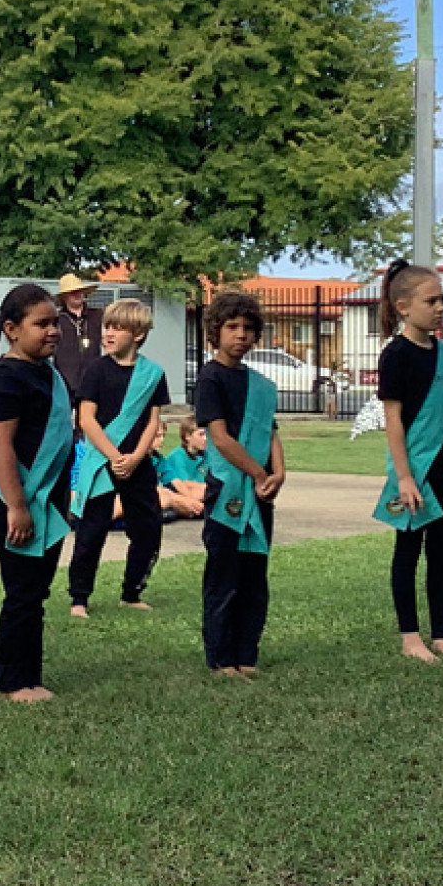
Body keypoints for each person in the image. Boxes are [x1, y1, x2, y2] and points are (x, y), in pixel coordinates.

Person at [373, 261, 443, 662]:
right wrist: (404, 476)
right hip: (415, 470)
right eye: (430, 301)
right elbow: (393, 419)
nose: (439, 308)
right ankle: (410, 636)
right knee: (408, 551)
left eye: (441, 300)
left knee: (442, 554)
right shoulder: (396, 354)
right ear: (403, 306)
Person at [0, 282, 73, 702]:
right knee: (22, 590)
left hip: (48, 500)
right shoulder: (6, 378)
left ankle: (31, 676)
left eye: (55, 322)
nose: (53, 330)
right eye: (42, 324)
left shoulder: (48, 374)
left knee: (36, 591)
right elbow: (0, 446)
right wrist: (16, 505)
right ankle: (12, 681)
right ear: (13, 330)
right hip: (16, 501)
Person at [197, 290, 284, 677]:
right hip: (228, 490)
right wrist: (259, 473)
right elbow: (220, 437)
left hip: (261, 493)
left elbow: (271, 432)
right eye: (232, 327)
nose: (241, 335)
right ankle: (220, 659)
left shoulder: (261, 386)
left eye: (249, 328)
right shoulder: (210, 377)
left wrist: (279, 472)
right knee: (224, 575)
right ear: (216, 331)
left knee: (254, 576)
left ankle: (247, 655)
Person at [67, 300, 170, 616]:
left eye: (117, 328)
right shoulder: (96, 370)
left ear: (138, 334)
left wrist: (136, 457)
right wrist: (114, 457)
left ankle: (132, 591)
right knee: (91, 531)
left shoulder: (153, 374)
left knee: (148, 529)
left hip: (137, 464)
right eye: (107, 326)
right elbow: (86, 419)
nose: (108, 333)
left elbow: (153, 420)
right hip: (101, 463)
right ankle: (80, 598)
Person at [51, 274, 105, 395]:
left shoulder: (97, 315)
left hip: (93, 379)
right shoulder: (56, 319)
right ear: (64, 296)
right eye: (72, 292)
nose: (77, 294)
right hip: (64, 381)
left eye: (79, 291)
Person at [153, 418, 210, 519]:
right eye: (201, 434)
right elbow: (183, 484)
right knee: (166, 496)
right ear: (187, 436)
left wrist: (192, 501)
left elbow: (175, 481)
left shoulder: (159, 459)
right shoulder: (177, 455)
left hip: (184, 495)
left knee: (206, 489)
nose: (162, 440)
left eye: (163, 435)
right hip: (164, 496)